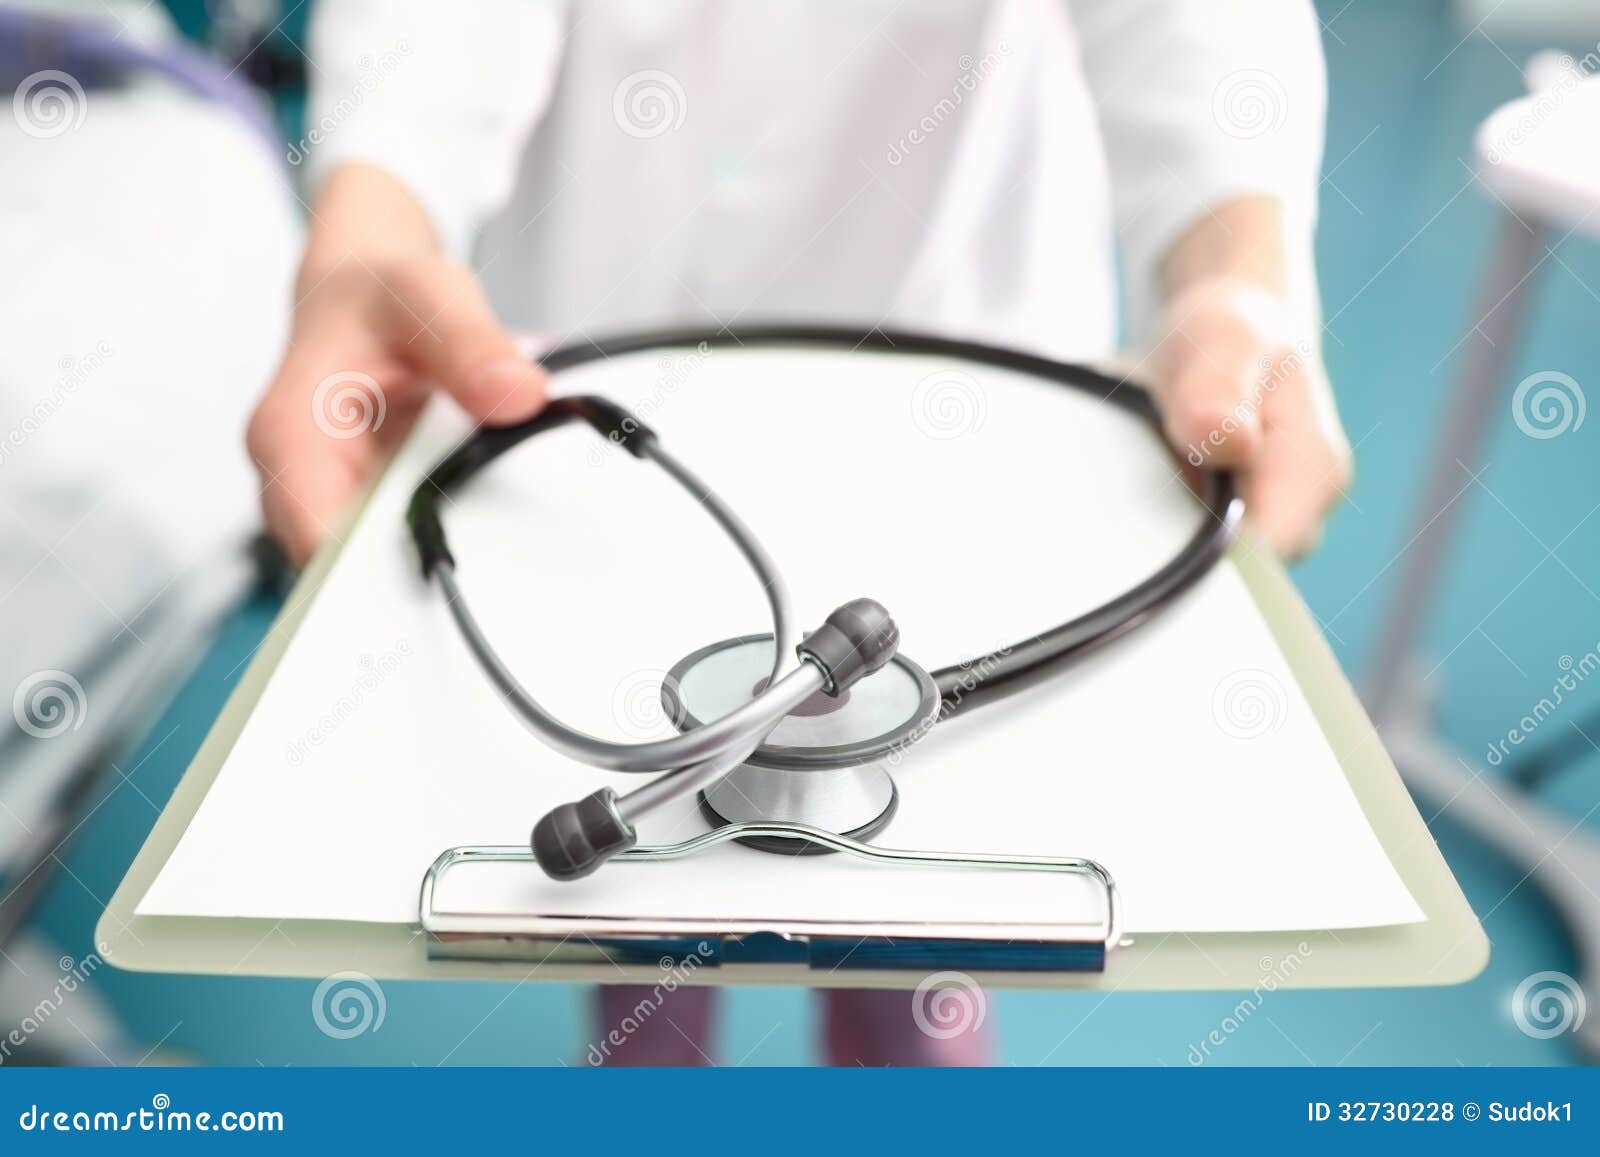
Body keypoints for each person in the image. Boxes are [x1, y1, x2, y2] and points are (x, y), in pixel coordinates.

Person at [246, 0, 1351, 1065]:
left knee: (928, 915)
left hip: (959, 371)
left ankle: (910, 1039)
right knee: (652, 901)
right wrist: (367, 235)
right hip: (614, 359)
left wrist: (1235, 281)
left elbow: (1199, 22)